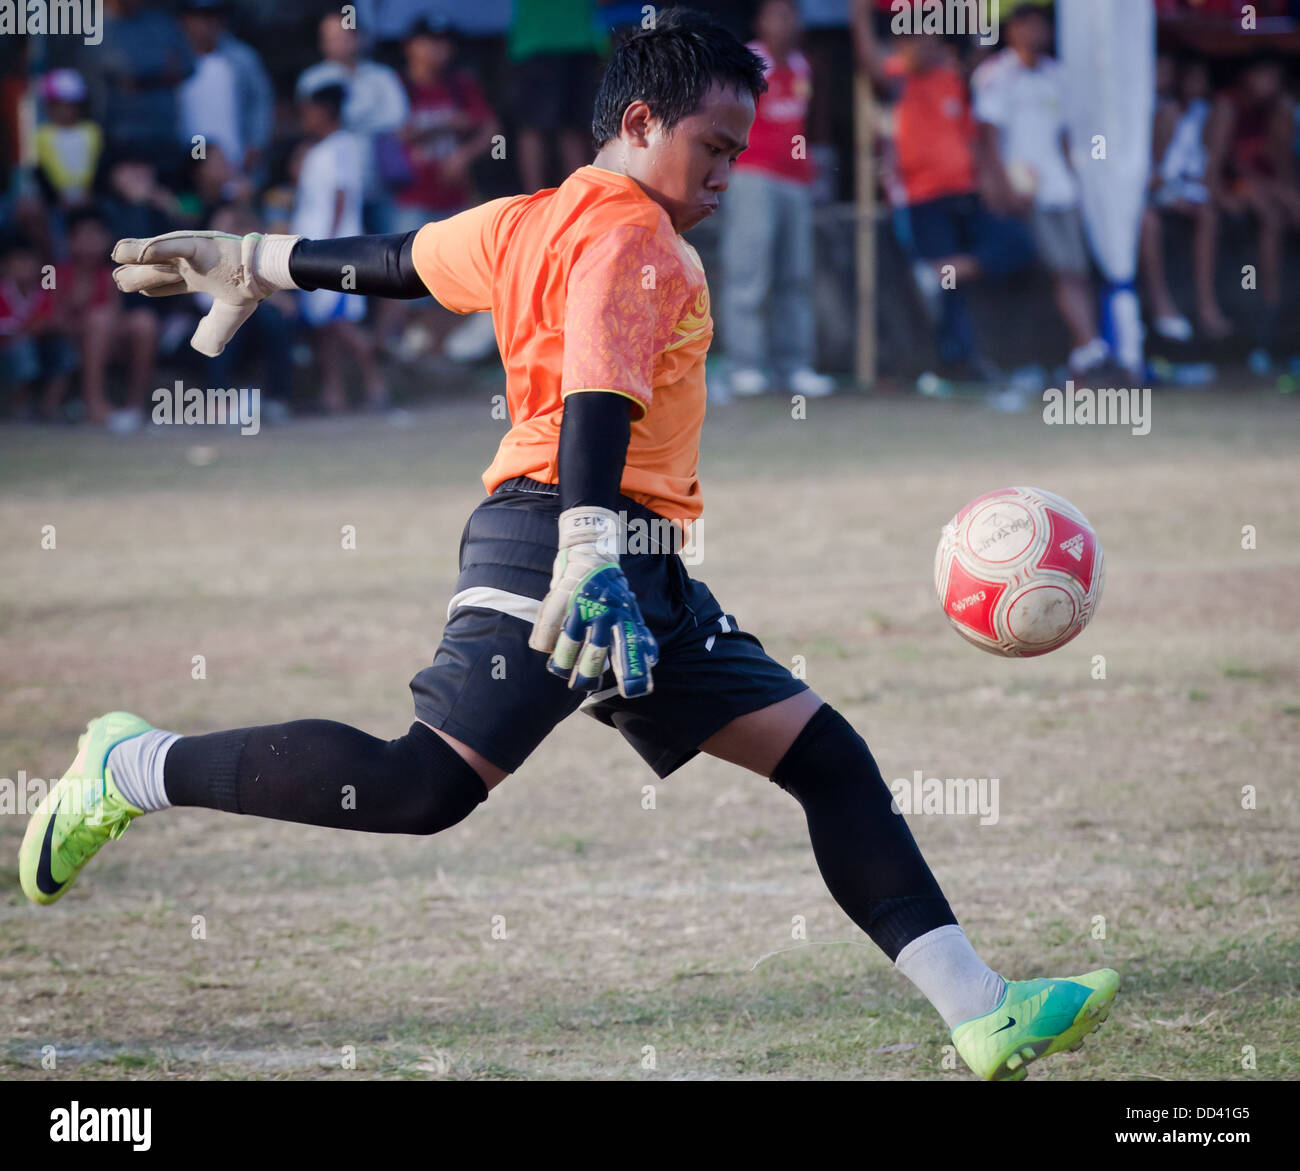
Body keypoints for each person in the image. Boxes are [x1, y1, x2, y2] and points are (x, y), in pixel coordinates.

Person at [36, 8, 1118, 1084]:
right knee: (421, 786)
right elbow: (598, 381)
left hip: (631, 563)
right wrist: (588, 546)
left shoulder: (533, 217)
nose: (726, 174)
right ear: (640, 121)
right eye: (714, 148)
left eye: (739, 154)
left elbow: (403, 261)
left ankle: (982, 1013)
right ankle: (130, 765)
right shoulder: (632, 234)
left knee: (827, 760)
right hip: (562, 537)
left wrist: (261, 256)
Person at [852, 1, 1032, 381]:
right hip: (921, 199)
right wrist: (860, 13)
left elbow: (972, 133)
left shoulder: (951, 78)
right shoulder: (897, 77)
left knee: (1016, 245)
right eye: (919, 37)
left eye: (933, 35)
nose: (928, 42)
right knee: (950, 295)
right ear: (902, 44)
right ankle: (958, 363)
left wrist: (990, 183)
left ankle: (936, 274)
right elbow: (868, 53)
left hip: (966, 194)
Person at [971, 4, 1110, 377]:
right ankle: (1089, 346)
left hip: (1061, 189)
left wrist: (1080, 187)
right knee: (1062, 270)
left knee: (1077, 270)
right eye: (1026, 25)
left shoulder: (1058, 75)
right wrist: (998, 185)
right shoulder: (994, 75)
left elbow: (1065, 137)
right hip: (1023, 190)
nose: (1034, 33)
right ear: (1011, 30)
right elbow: (987, 138)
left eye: (1040, 26)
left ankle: (1085, 350)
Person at [720, 0, 835, 399]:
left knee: (796, 275)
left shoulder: (804, 65)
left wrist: (817, 167)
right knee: (750, 273)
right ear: (761, 21)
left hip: (797, 182)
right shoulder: (748, 60)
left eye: (792, 14)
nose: (786, 22)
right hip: (754, 176)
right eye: (778, 14)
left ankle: (795, 365)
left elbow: (808, 122)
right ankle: (746, 365)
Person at [291, 83, 386, 413]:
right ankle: (334, 393)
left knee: (339, 323)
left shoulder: (343, 146)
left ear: (325, 112)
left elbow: (341, 196)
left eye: (309, 112)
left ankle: (376, 383)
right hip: (311, 247)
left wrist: (329, 247)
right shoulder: (316, 150)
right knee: (322, 327)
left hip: (334, 249)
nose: (304, 118)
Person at [1205, 53, 1300, 369]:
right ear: (1247, 76)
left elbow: (1282, 167)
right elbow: (1220, 167)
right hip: (1235, 186)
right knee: (1270, 217)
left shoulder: (1279, 110)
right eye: (1262, 74)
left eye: (1273, 75)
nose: (1267, 83)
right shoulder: (1227, 107)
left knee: (1287, 209)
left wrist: (1288, 195)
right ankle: (1268, 312)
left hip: (1265, 186)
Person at [1141, 53, 1232, 343]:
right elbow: (1152, 173)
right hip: (1148, 194)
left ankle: (1207, 306)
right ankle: (1161, 304)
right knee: (1149, 224)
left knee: (1208, 215)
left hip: (1183, 192)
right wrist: (1167, 192)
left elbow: (1201, 171)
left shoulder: (1203, 112)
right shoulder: (1151, 108)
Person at [295, 13, 409, 236]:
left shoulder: (382, 77)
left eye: (342, 36)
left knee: (387, 252)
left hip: (378, 181)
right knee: (336, 243)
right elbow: (309, 130)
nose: (335, 43)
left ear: (359, 38)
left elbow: (399, 125)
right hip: (332, 182)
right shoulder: (313, 79)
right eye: (329, 37)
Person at [508, 0, 608, 193]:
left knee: (572, 127)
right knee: (537, 127)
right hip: (540, 42)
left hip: (575, 42)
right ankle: (533, 201)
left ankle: (577, 197)